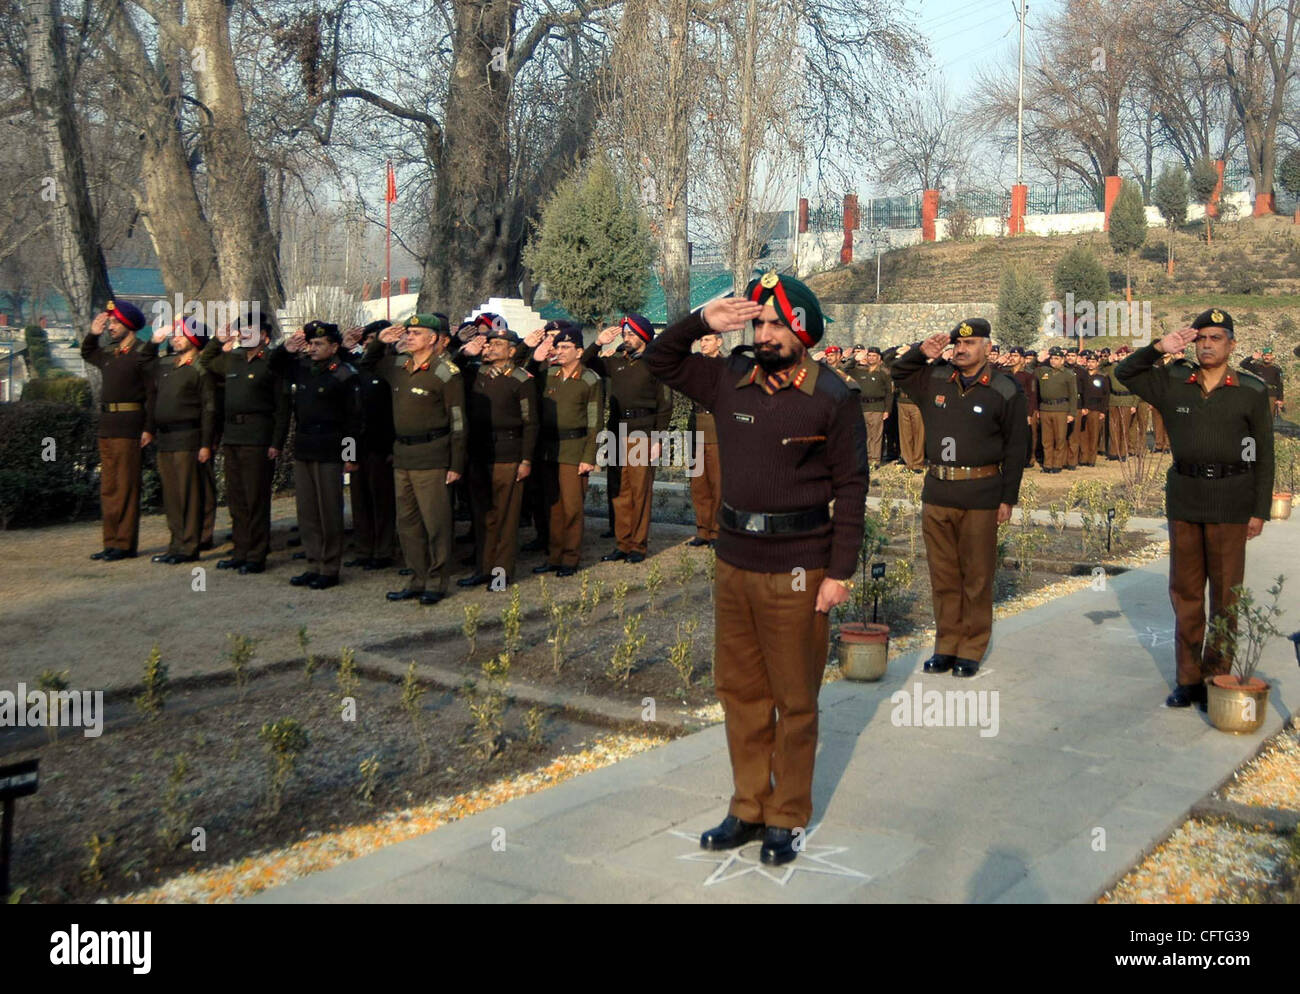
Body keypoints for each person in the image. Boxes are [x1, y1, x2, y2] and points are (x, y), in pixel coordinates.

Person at [646, 271, 867, 867]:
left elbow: (851, 486)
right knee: (740, 691)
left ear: (804, 332)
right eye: (759, 322)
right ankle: (748, 805)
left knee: (795, 698)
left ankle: (787, 814)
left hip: (799, 566)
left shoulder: (833, 396)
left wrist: (838, 572)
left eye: (778, 323)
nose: (765, 333)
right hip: (735, 560)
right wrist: (701, 321)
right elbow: (659, 358)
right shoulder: (728, 379)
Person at [1116, 309, 1274, 709]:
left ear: (1232, 345)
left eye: (1216, 338)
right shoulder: (1174, 382)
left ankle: (1216, 676)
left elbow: (1264, 455)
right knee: (1185, 593)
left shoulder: (1251, 390)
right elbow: (1126, 373)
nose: (1206, 344)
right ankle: (1188, 680)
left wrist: (1259, 509)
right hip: (1185, 498)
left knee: (1225, 596)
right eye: (1200, 338)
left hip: (1231, 500)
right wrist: (1158, 348)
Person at [891, 318, 1028, 679]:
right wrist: (923, 352)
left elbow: (1017, 447)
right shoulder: (934, 378)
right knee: (943, 575)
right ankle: (946, 645)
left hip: (981, 494)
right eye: (956, 344)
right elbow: (898, 371)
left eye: (970, 343)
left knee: (977, 575)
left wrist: (1007, 498)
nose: (961, 349)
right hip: (938, 491)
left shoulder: (1004, 389)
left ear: (987, 346)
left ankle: (971, 647)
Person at [360, 313, 466, 605]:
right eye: (406, 333)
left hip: (432, 456)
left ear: (432, 339)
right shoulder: (398, 366)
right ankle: (416, 578)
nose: (408, 337)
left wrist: (456, 464)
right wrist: (379, 343)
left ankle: (436, 581)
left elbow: (458, 422)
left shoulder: (446, 373)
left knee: (436, 524)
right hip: (403, 456)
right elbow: (365, 367)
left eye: (415, 333)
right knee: (407, 524)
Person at [272, 322, 363, 590]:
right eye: (310, 344)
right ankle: (313, 562)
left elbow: (354, 420)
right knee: (308, 511)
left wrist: (350, 456)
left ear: (334, 347)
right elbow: (274, 367)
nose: (312, 348)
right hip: (305, 447)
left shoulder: (344, 374)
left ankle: (330, 567)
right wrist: (285, 349)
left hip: (330, 449)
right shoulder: (301, 368)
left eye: (319, 344)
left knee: (329, 511)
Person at [198, 309, 289, 575]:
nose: (243, 334)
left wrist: (277, 442)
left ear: (263, 336)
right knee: (236, 499)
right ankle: (240, 551)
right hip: (233, 437)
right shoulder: (234, 360)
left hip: (258, 438)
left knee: (255, 499)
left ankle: (256, 554)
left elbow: (282, 407)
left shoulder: (272, 363)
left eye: (250, 330)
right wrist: (217, 339)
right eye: (242, 330)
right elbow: (206, 361)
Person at [455, 319, 539, 588]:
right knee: (482, 517)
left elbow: (530, 423)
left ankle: (500, 574)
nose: (490, 348)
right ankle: (483, 568)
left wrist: (525, 460)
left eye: (498, 344)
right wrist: (465, 352)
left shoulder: (521, 380)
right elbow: (451, 369)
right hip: (480, 455)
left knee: (505, 518)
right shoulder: (476, 374)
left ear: (512, 351)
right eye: (489, 343)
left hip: (508, 454)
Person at [584, 313, 673, 563]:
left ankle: (638, 546)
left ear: (644, 336)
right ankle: (622, 544)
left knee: (639, 490)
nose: (626, 338)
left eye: (631, 334)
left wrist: (657, 439)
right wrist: (598, 343)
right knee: (619, 489)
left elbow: (665, 405)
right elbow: (584, 362)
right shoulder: (615, 362)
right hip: (616, 430)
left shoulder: (656, 364)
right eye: (624, 334)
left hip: (642, 433)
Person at [82, 300, 157, 561]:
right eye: (110, 323)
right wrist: (93, 331)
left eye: (115, 323)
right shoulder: (110, 353)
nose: (110, 327)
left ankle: (125, 544)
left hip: (130, 426)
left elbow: (152, 393)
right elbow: (87, 352)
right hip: (108, 426)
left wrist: (149, 428)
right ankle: (110, 541)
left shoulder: (142, 353)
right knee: (109, 487)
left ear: (129, 325)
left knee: (126, 486)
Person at [528, 324, 604, 576]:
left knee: (572, 507)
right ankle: (554, 556)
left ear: (579, 352)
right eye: (558, 347)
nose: (559, 351)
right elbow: (522, 380)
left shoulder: (589, 380)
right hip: (549, 449)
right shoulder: (549, 375)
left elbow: (595, 422)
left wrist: (589, 456)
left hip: (575, 449)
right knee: (553, 506)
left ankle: (570, 558)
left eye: (565, 347)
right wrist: (534, 357)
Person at [149, 315, 216, 564]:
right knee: (172, 497)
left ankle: (189, 547)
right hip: (166, 441)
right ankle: (175, 544)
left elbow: (209, 409)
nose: (175, 337)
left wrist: (206, 444)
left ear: (194, 339)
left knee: (188, 495)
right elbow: (144, 363)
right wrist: (154, 342)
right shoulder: (168, 366)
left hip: (188, 439)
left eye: (181, 333)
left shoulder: (199, 370)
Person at [342, 321, 397, 570]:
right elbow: (347, 416)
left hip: (381, 446)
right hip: (356, 443)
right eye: (368, 339)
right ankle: (364, 549)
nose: (370, 343)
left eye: (376, 338)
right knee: (360, 500)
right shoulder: (357, 370)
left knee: (381, 501)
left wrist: (393, 449)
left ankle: (383, 550)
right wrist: (347, 454)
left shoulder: (393, 369)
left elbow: (396, 414)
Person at [687, 329, 724, 546]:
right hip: (696, 425)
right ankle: (703, 529)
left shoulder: (726, 367)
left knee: (717, 482)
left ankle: (717, 531)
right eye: (701, 340)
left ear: (719, 342)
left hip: (716, 426)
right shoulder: (695, 365)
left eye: (708, 340)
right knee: (698, 482)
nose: (703, 343)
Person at [848, 345, 893, 468]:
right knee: (865, 434)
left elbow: (890, 392)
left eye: (874, 356)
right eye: (869, 355)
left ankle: (875, 459)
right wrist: (855, 358)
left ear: (879, 358)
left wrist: (887, 410)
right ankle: (867, 458)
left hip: (877, 406)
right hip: (862, 406)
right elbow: (845, 369)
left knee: (876, 435)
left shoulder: (883, 372)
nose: (871, 358)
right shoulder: (859, 371)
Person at [1036, 346, 1077, 473]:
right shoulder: (1043, 371)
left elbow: (1073, 395)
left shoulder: (1068, 375)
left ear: (1062, 360)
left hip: (1061, 409)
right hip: (1045, 409)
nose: (1053, 361)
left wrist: (1072, 413)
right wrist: (1040, 359)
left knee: (1060, 439)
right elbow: (1031, 368)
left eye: (1056, 358)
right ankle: (1048, 464)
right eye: (1052, 358)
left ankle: (1057, 465)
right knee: (1046, 439)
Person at [887, 343, 927, 472]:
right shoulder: (901, 366)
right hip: (902, 401)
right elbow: (887, 361)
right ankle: (908, 462)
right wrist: (897, 351)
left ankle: (918, 463)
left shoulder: (921, 365)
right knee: (905, 435)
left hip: (916, 402)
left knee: (918, 434)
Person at [1105, 346, 1141, 461]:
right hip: (1114, 399)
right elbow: (1100, 369)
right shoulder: (1113, 368)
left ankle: (1123, 453)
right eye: (1119, 355)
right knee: (1113, 428)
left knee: (1124, 428)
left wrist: (1134, 404)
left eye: (1123, 355)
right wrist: (1108, 361)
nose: (1121, 357)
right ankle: (1114, 452)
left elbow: (1138, 388)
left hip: (1127, 399)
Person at [1076, 350, 1109, 466]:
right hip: (1084, 408)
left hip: (1096, 409)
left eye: (1093, 361)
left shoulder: (1102, 377)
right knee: (1083, 435)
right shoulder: (1082, 376)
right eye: (1089, 361)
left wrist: (1103, 411)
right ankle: (1083, 458)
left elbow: (1106, 395)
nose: (1090, 364)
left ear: (1097, 363)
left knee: (1094, 434)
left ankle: (1091, 459)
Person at [1008, 348, 1039, 468]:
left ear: (1022, 359)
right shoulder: (1006, 373)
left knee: (1025, 436)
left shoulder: (1028, 375)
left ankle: (1026, 459)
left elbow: (1032, 395)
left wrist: (1030, 414)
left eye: (1015, 356)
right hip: (1010, 409)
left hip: (1023, 409)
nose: (1012, 358)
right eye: (1011, 355)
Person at [1241, 347, 1285, 420]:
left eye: (1268, 355)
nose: (1266, 357)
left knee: (1270, 416)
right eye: (1265, 355)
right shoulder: (1257, 366)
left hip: (1271, 395)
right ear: (1262, 356)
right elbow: (1243, 364)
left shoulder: (1277, 369)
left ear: (1272, 356)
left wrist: (1280, 399)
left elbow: (1280, 384)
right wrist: (1251, 357)